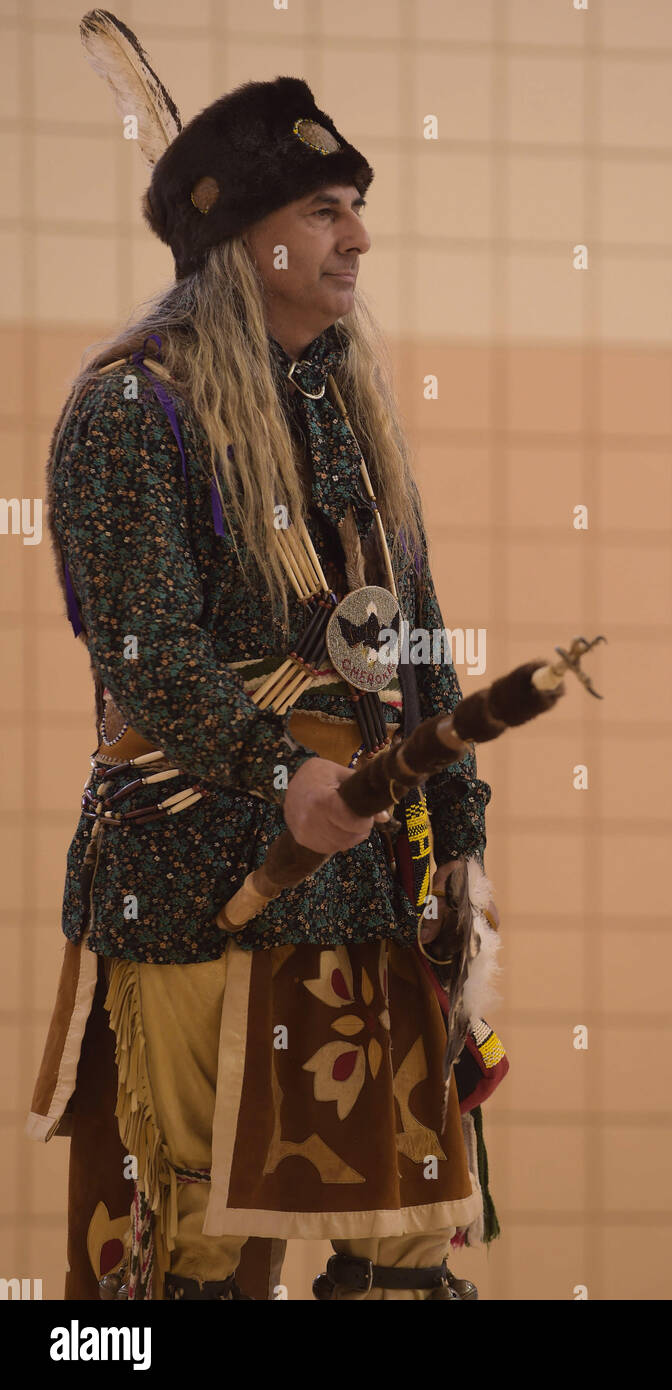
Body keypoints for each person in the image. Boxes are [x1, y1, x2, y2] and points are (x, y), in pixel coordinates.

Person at [27, 29, 506, 1302]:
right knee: (184, 1251)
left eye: (356, 210)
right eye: (324, 210)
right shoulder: (136, 406)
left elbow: (410, 629)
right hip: (190, 873)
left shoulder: (344, 407)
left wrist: (458, 836)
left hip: (360, 880)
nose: (356, 239)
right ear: (245, 238)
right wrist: (278, 766)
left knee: (401, 1242)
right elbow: (146, 651)